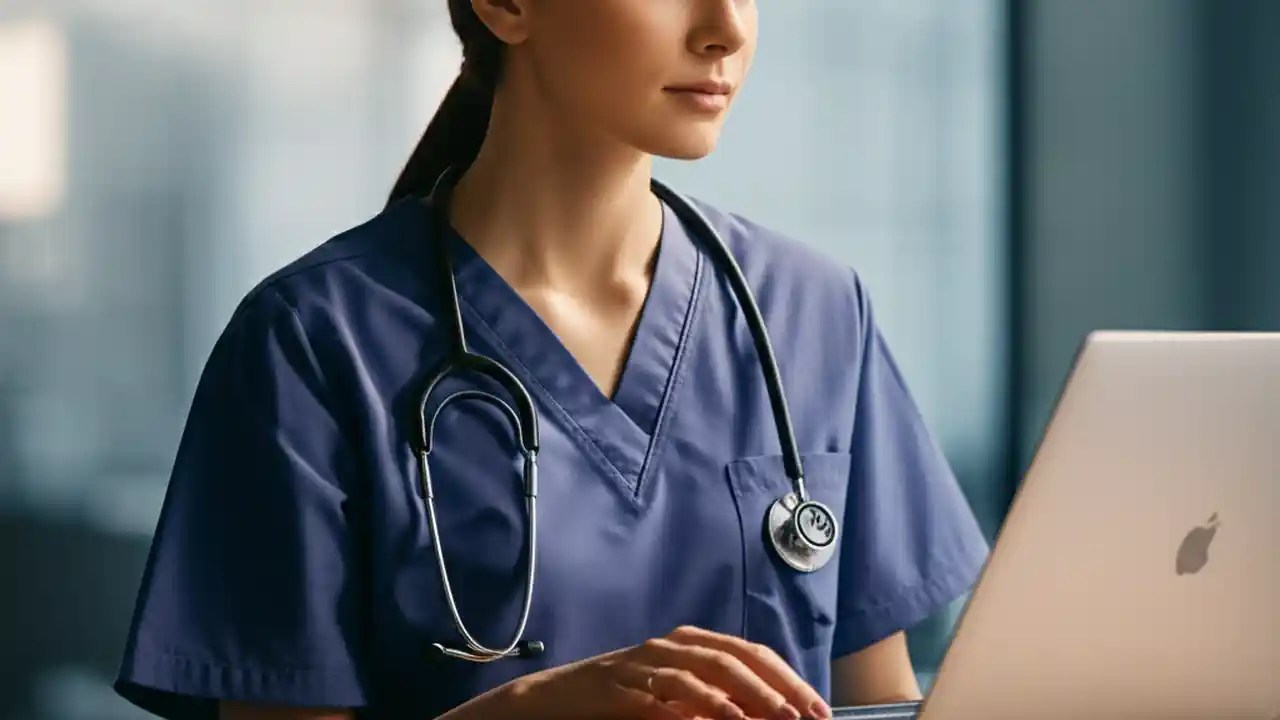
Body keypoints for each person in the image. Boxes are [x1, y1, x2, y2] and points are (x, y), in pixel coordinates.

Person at [113, 1, 989, 719]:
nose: (725, 27)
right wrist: (527, 711)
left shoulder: (816, 313)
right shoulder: (311, 343)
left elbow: (877, 705)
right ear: (506, 5)